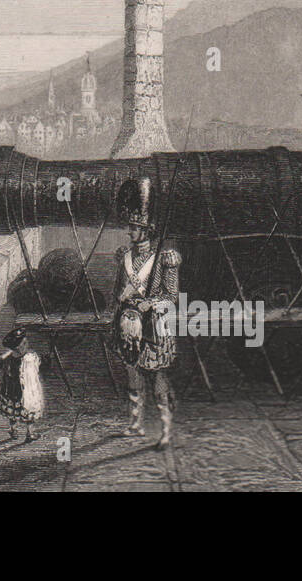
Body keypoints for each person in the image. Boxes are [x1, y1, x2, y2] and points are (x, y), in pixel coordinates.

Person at [111, 177, 181, 449]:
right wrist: (122, 298)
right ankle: (136, 423)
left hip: (153, 327)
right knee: (133, 376)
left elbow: (171, 296)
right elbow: (118, 290)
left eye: (135, 228)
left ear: (147, 230)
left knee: (158, 380)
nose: (130, 232)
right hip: (129, 326)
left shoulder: (165, 259)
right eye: (130, 227)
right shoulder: (125, 257)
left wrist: (149, 303)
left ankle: (165, 430)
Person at [0, 327, 44, 441]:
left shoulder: (12, 358)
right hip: (21, 391)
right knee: (25, 411)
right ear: (18, 347)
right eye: (24, 343)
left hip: (13, 390)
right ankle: (25, 432)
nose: (26, 345)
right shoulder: (28, 359)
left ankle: (17, 431)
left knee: (14, 411)